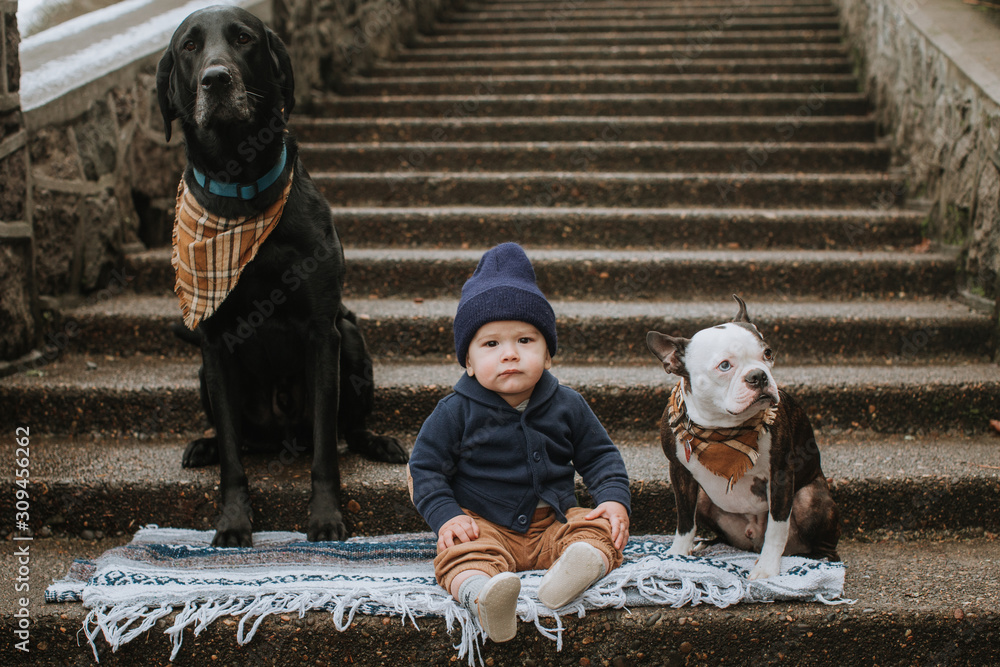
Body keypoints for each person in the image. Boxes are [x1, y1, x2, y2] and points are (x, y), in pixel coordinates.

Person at [407, 242, 631, 643]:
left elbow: (600, 457)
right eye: (491, 344)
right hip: (484, 524)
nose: (509, 354)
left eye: (525, 341)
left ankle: (573, 572)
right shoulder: (454, 411)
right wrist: (447, 517)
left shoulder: (568, 404)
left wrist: (612, 500)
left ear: (547, 354)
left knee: (594, 531)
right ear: (469, 363)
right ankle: (482, 596)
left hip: (554, 522)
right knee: (461, 553)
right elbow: (425, 468)